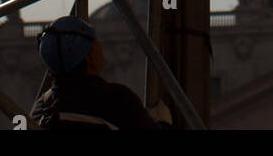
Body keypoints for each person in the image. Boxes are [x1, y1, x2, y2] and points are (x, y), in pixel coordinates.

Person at [32, 17, 171, 130]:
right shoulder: (116, 100)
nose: (100, 47)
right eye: (95, 42)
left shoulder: (40, 109)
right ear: (89, 55)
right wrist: (164, 122)